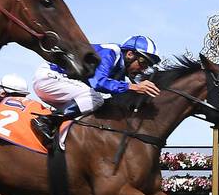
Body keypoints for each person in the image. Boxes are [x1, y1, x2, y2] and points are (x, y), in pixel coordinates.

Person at [31, 35, 161, 144]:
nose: (143, 69)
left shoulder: (121, 71)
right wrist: (132, 86)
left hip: (58, 83)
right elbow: (98, 82)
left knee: (97, 104)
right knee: (95, 98)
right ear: (130, 54)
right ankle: (47, 121)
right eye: (143, 62)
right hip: (50, 77)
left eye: (148, 66)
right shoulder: (112, 51)